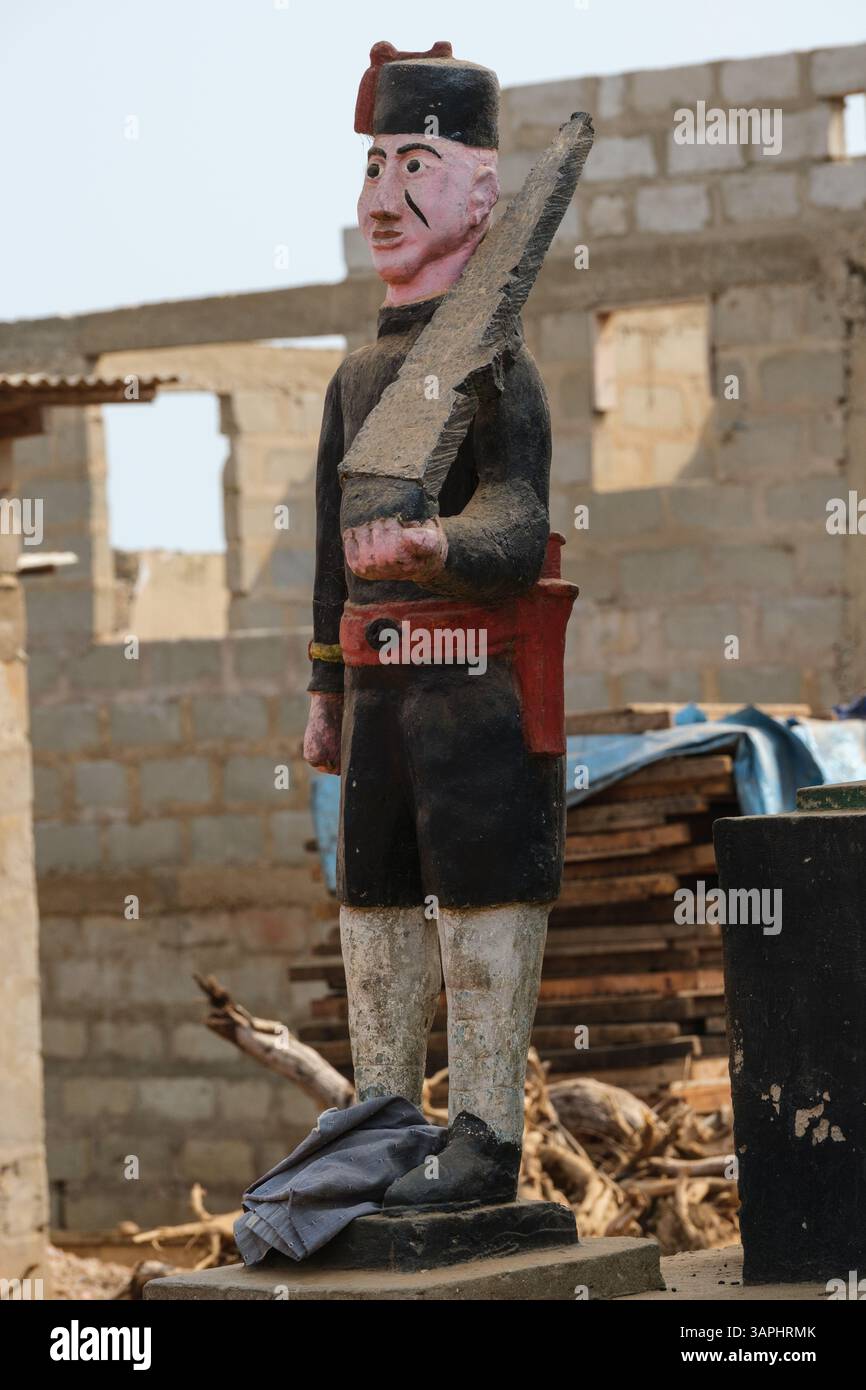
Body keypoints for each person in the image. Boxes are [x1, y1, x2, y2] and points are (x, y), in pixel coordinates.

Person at [303, 41, 571, 1207]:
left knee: (477, 909)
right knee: (373, 911)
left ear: (480, 194)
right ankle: (377, 1119)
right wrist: (320, 685)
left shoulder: (497, 367)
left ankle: (481, 1136)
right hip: (374, 696)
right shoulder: (356, 380)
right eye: (372, 166)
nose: (382, 199)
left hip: (473, 687)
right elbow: (328, 548)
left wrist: (437, 544)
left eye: (414, 162)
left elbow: (517, 521)